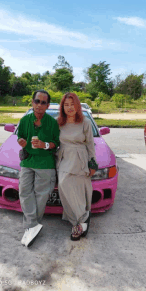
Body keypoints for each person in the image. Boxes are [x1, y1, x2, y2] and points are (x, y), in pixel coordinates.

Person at [17, 90, 60, 247]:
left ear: (48, 105)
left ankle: (31, 226)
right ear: (32, 102)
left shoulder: (52, 123)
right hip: (28, 161)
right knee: (24, 191)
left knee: (40, 195)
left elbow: (57, 143)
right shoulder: (25, 120)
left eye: (43, 102)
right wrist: (21, 142)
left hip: (45, 162)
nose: (39, 105)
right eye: (37, 101)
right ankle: (33, 224)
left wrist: (45, 145)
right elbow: (20, 137)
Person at [56, 93, 98, 241]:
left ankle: (79, 223)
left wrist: (92, 162)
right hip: (64, 158)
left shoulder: (85, 122)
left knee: (79, 192)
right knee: (63, 185)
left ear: (77, 105)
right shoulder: (58, 122)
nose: (70, 108)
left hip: (80, 159)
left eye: (72, 104)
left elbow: (90, 144)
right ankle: (82, 218)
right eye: (66, 105)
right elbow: (53, 141)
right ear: (62, 107)